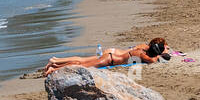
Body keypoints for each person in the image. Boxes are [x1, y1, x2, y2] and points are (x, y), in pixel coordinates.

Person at [43, 37, 171, 76]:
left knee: (81, 61)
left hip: (111, 54)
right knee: (81, 65)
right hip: (109, 60)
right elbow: (152, 60)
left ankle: (55, 62)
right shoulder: (143, 55)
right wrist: (160, 54)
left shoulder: (142, 47)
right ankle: (54, 69)